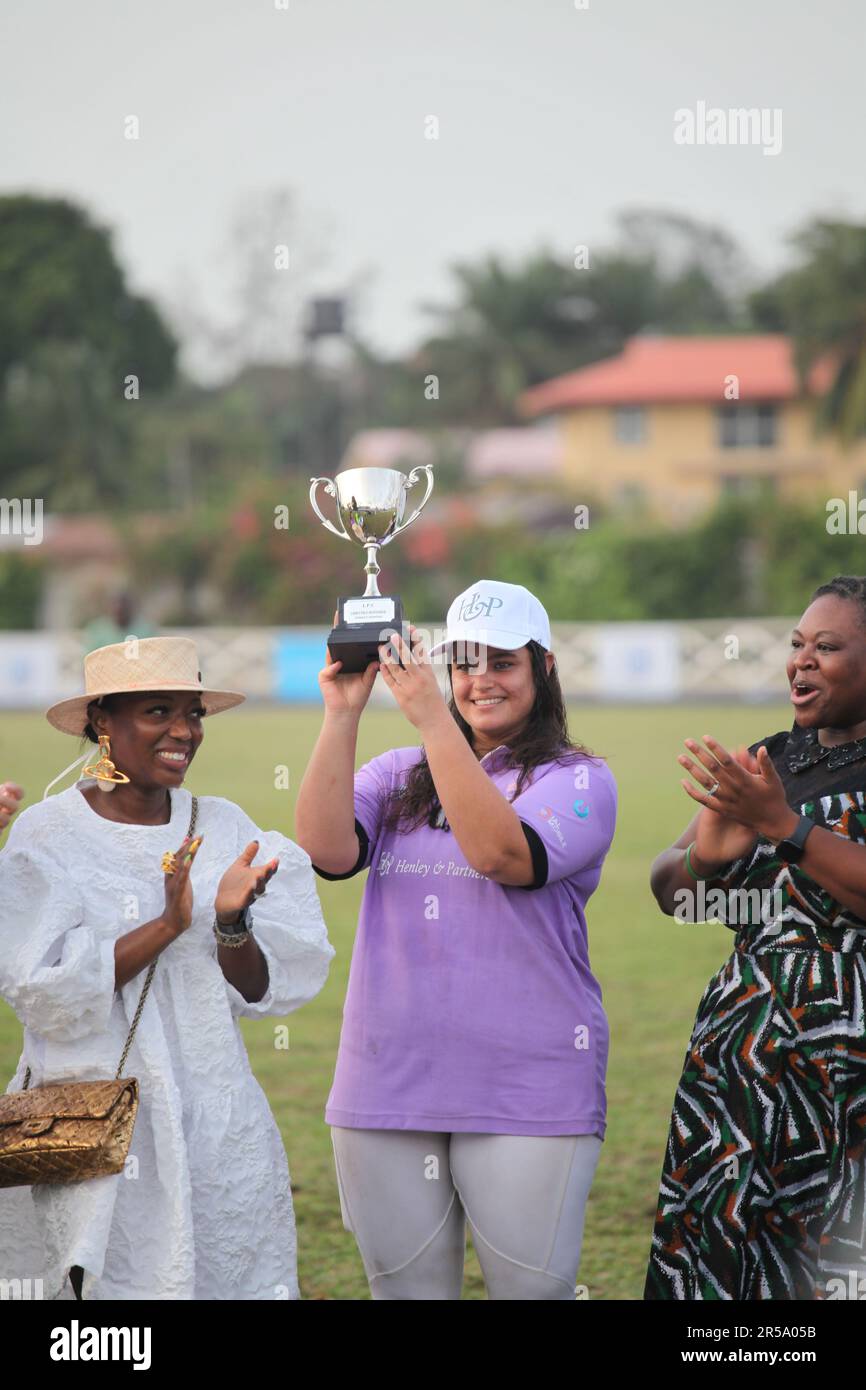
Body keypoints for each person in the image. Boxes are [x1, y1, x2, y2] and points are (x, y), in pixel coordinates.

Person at [295, 580, 618, 1300]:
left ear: (544, 668)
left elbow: (503, 856)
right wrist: (342, 714)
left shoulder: (580, 779)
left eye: (502, 663)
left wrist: (434, 724)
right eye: (465, 663)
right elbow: (325, 851)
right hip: (387, 1081)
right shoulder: (397, 774)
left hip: (528, 1088)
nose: (479, 681)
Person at [0, 636, 334, 1300]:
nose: (184, 731)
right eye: (159, 711)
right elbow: (44, 996)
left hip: (215, 1120)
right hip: (92, 1127)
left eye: (195, 713)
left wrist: (232, 923)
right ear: (103, 721)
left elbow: (262, 990)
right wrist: (165, 926)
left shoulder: (223, 825)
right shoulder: (47, 835)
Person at [645, 574, 866, 1301]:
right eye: (797, 645)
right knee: (728, 1247)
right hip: (743, 1053)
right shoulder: (770, 760)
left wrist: (786, 829)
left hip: (847, 1057)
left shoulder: (777, 798)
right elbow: (676, 896)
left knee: (832, 1252)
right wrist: (707, 855)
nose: (801, 661)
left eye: (827, 647)